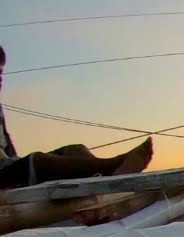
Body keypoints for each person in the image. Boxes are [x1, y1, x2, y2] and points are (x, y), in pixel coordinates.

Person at [0, 45, 155, 191]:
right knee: (37, 160)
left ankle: (99, 175)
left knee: (75, 149)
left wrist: (15, 163)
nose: (1, 79)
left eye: (1, 73)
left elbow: (8, 147)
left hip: (8, 169)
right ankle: (111, 167)